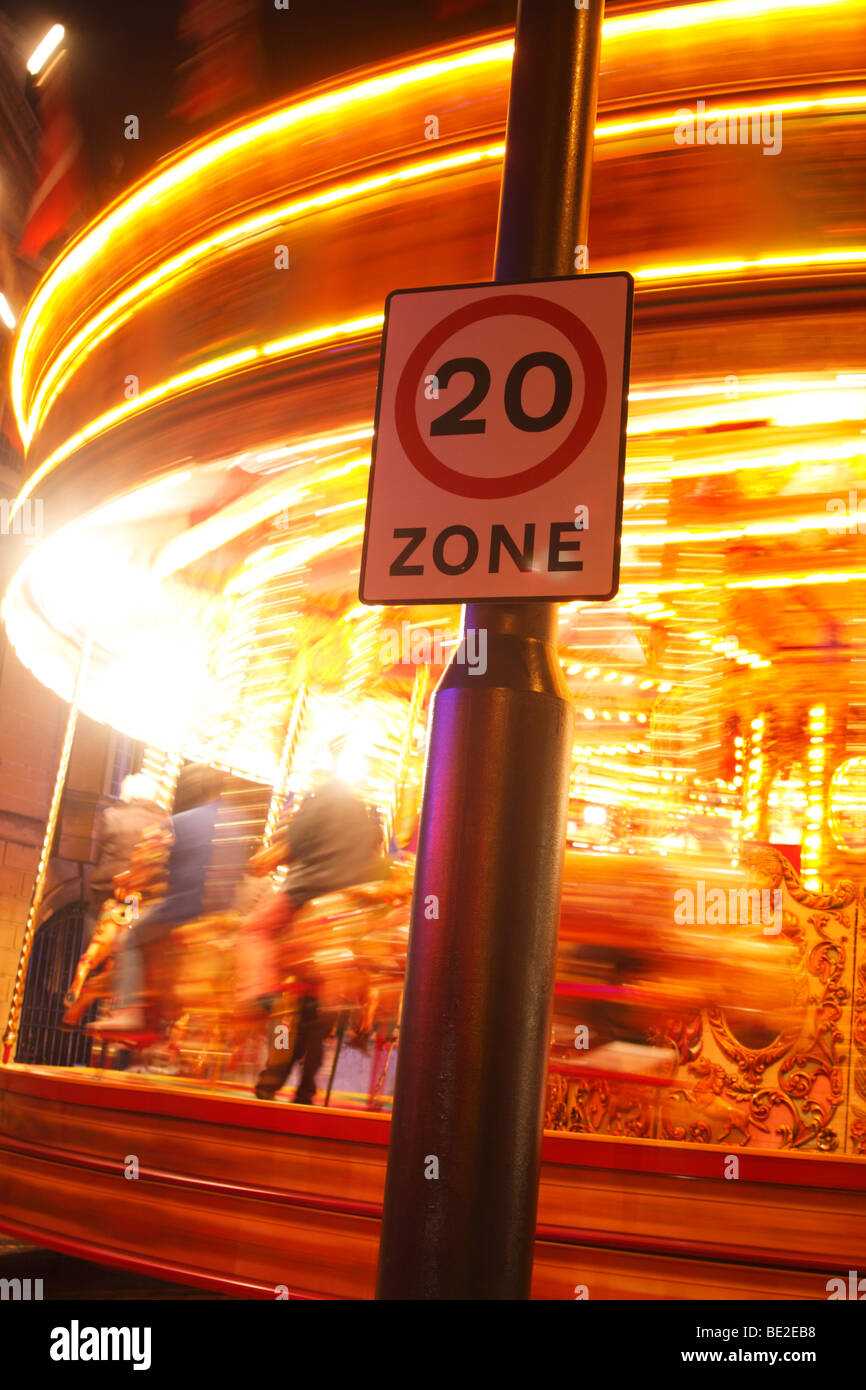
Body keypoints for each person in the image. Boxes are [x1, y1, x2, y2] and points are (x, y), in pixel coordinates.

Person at [253, 772, 386, 1104]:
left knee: (287, 1021)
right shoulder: (364, 846)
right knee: (317, 1023)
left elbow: (292, 849)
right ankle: (305, 1086)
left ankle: (273, 1078)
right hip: (339, 943)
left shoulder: (317, 833)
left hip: (304, 943)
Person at [93, 764, 227, 1034]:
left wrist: (125, 879)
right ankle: (279, 1052)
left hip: (170, 905)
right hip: (222, 911)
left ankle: (127, 1008)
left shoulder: (170, 823)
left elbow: (147, 867)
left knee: (128, 936)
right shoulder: (229, 822)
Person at [87, 773, 167, 940]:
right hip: (138, 896)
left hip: (106, 891)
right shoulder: (162, 822)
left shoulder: (111, 815)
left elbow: (97, 855)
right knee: (130, 940)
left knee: (96, 935)